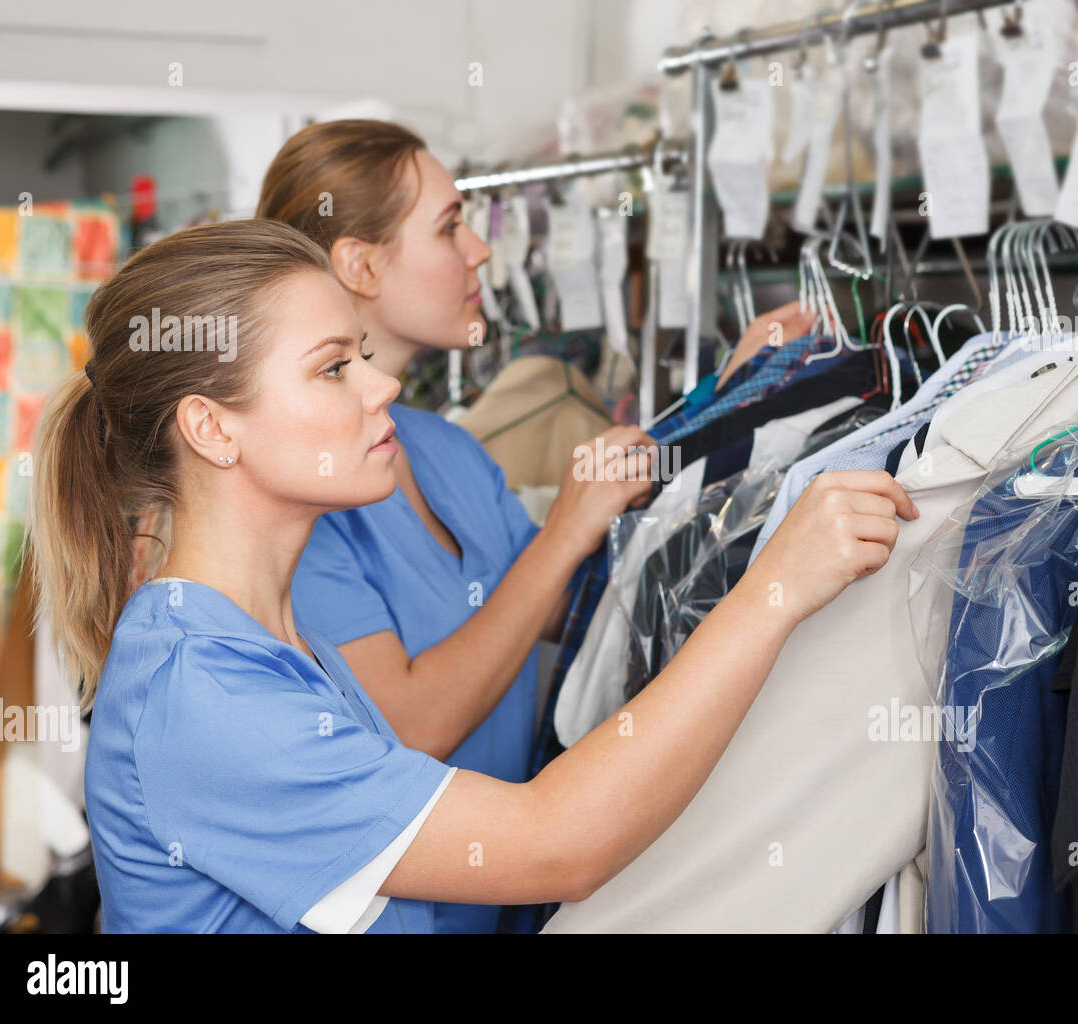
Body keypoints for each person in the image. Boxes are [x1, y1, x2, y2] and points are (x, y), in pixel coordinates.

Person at [30, 219, 917, 934]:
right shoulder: (203, 689)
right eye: (334, 367)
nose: (380, 389)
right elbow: (556, 841)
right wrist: (775, 589)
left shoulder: (266, 640)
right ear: (212, 430)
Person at [255, 120, 814, 931]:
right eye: (449, 227)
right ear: (361, 264)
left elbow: (566, 605)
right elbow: (411, 726)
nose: (480, 253)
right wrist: (559, 536)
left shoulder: (443, 448)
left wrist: (726, 405)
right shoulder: (307, 493)